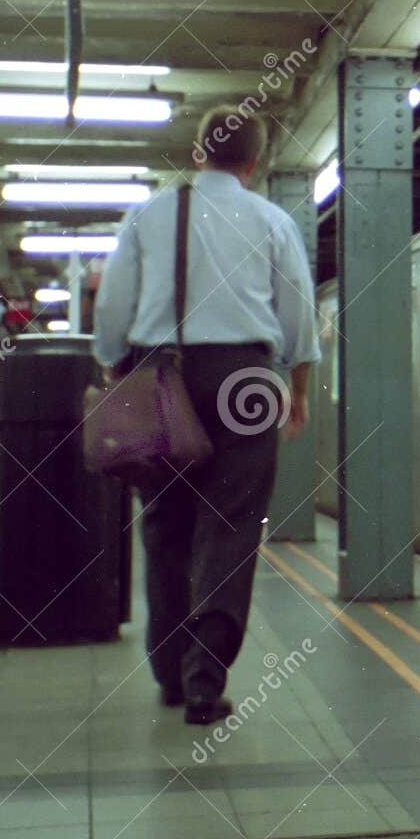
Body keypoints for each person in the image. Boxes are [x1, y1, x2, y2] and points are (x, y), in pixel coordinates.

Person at [93, 105, 319, 725]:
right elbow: (298, 317)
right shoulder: (272, 220)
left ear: (197, 153)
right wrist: (297, 389)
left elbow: (113, 306)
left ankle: (168, 670)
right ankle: (204, 678)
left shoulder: (146, 217)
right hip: (245, 376)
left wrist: (117, 366)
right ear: (254, 163)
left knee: (165, 523)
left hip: (159, 371)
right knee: (233, 523)